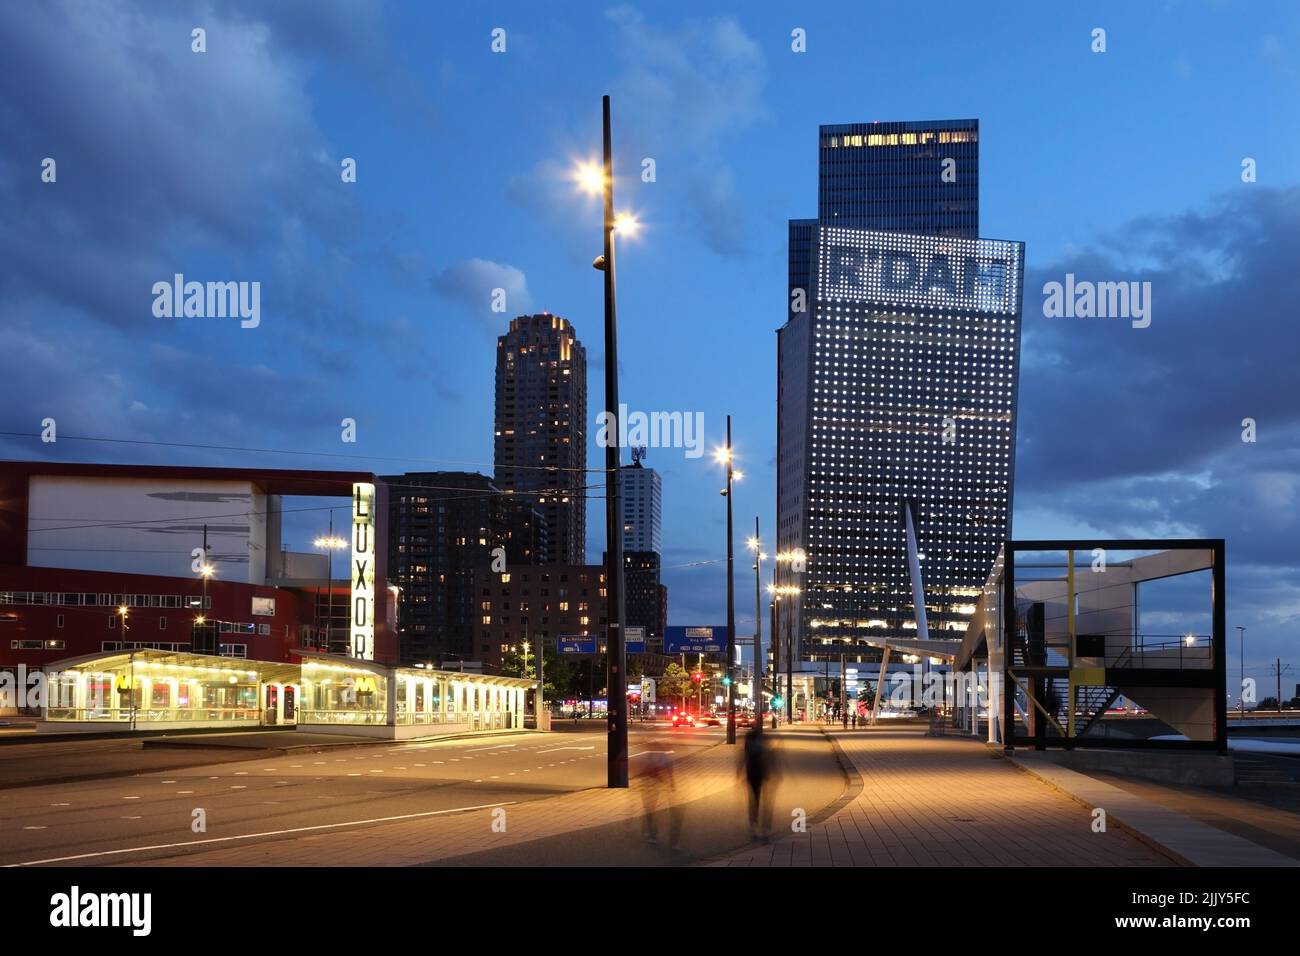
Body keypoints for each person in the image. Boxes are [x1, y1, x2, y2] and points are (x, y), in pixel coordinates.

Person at [740, 727, 779, 841]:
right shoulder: (763, 742)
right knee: (767, 802)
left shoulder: (748, 744)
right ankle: (765, 828)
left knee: (755, 801)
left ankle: (754, 825)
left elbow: (744, 758)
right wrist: (776, 771)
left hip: (752, 775)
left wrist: (739, 771)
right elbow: (771, 757)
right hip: (763, 774)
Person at [639, 751, 682, 849]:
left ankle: (656, 835)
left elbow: (670, 771)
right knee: (650, 808)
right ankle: (652, 833)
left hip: (660, 781)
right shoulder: (648, 754)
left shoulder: (665, 755)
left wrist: (671, 785)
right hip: (652, 781)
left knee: (653, 809)